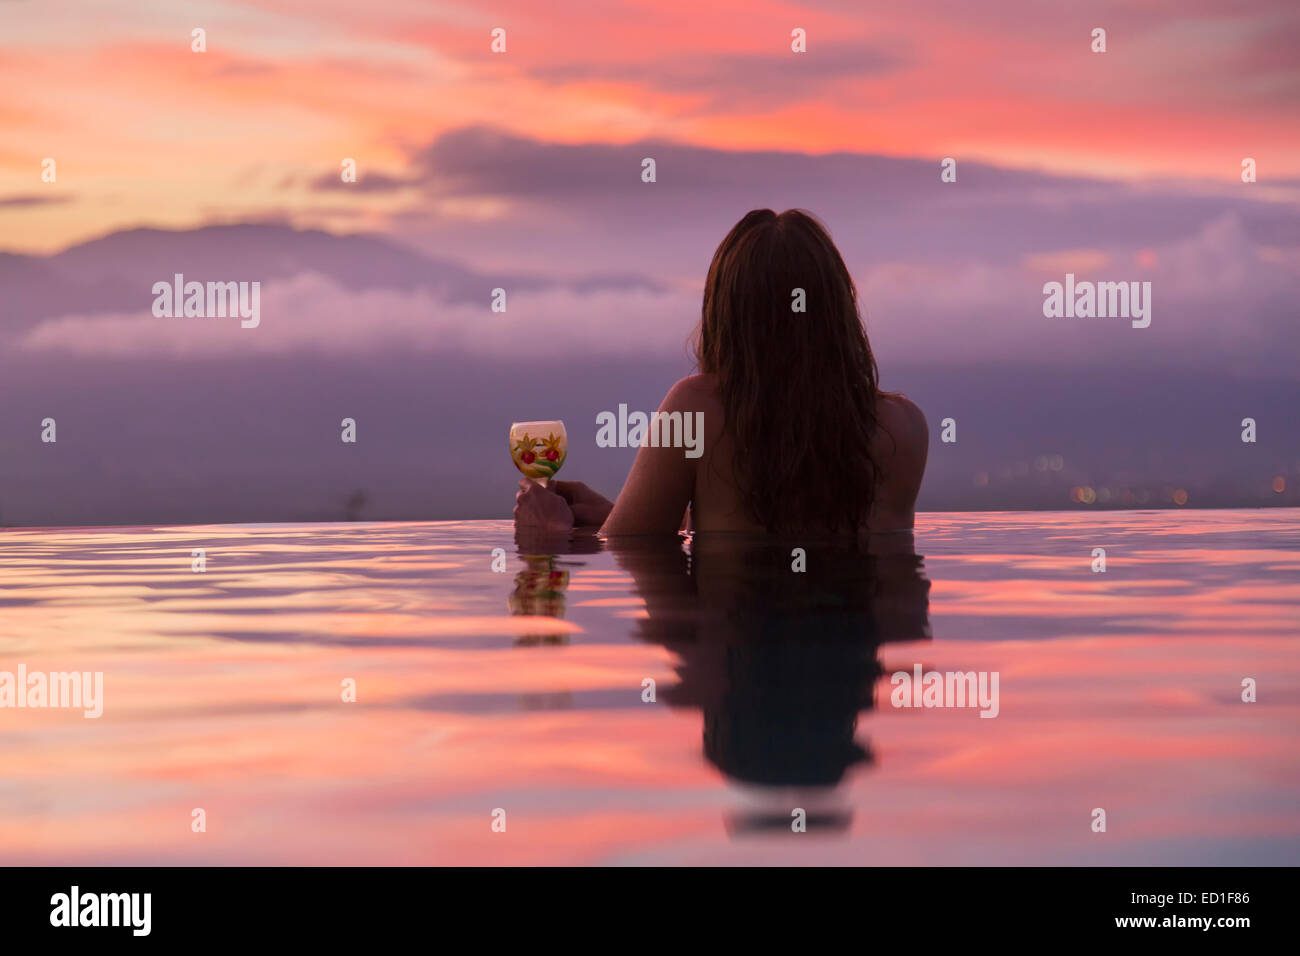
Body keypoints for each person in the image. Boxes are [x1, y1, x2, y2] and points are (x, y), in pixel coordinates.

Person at [514, 209, 928, 536]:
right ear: (839, 310)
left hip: (737, 642)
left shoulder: (696, 408)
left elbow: (631, 557)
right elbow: (790, 532)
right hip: (849, 644)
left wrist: (552, 530)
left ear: (725, 316)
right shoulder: (905, 425)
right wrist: (619, 512)